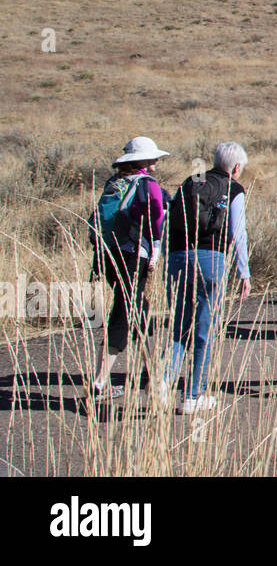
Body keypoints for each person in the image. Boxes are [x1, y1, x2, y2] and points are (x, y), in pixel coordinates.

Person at [162, 142, 252, 413]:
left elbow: (170, 218)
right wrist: (243, 271)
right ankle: (193, 395)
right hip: (210, 260)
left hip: (178, 257)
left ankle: (163, 379)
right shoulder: (233, 188)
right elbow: (238, 232)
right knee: (205, 330)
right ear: (236, 167)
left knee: (180, 326)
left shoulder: (193, 180)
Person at [88, 137, 170, 401]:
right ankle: (100, 382)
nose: (157, 161)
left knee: (138, 310)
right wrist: (155, 252)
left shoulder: (114, 182)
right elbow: (156, 218)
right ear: (145, 161)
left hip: (108, 255)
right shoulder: (147, 185)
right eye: (153, 157)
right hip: (135, 255)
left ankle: (151, 375)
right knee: (124, 313)